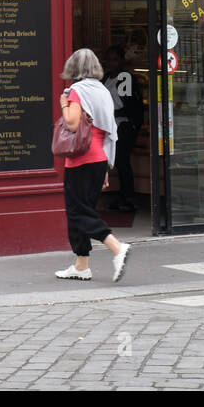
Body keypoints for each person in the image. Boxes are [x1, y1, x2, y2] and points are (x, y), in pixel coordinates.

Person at [54, 48, 132, 282]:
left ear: (73, 68)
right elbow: (109, 131)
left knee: (77, 212)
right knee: (83, 210)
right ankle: (81, 265)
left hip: (80, 160)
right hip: (98, 160)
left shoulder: (76, 91)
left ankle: (116, 247)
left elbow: (72, 123)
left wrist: (63, 104)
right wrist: (106, 167)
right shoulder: (103, 91)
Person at [103, 45, 142, 212]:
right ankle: (123, 195)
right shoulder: (106, 78)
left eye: (115, 59)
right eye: (109, 59)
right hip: (110, 125)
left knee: (122, 161)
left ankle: (128, 197)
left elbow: (131, 107)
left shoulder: (124, 78)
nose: (111, 63)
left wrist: (112, 112)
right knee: (118, 162)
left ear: (121, 61)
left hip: (123, 125)